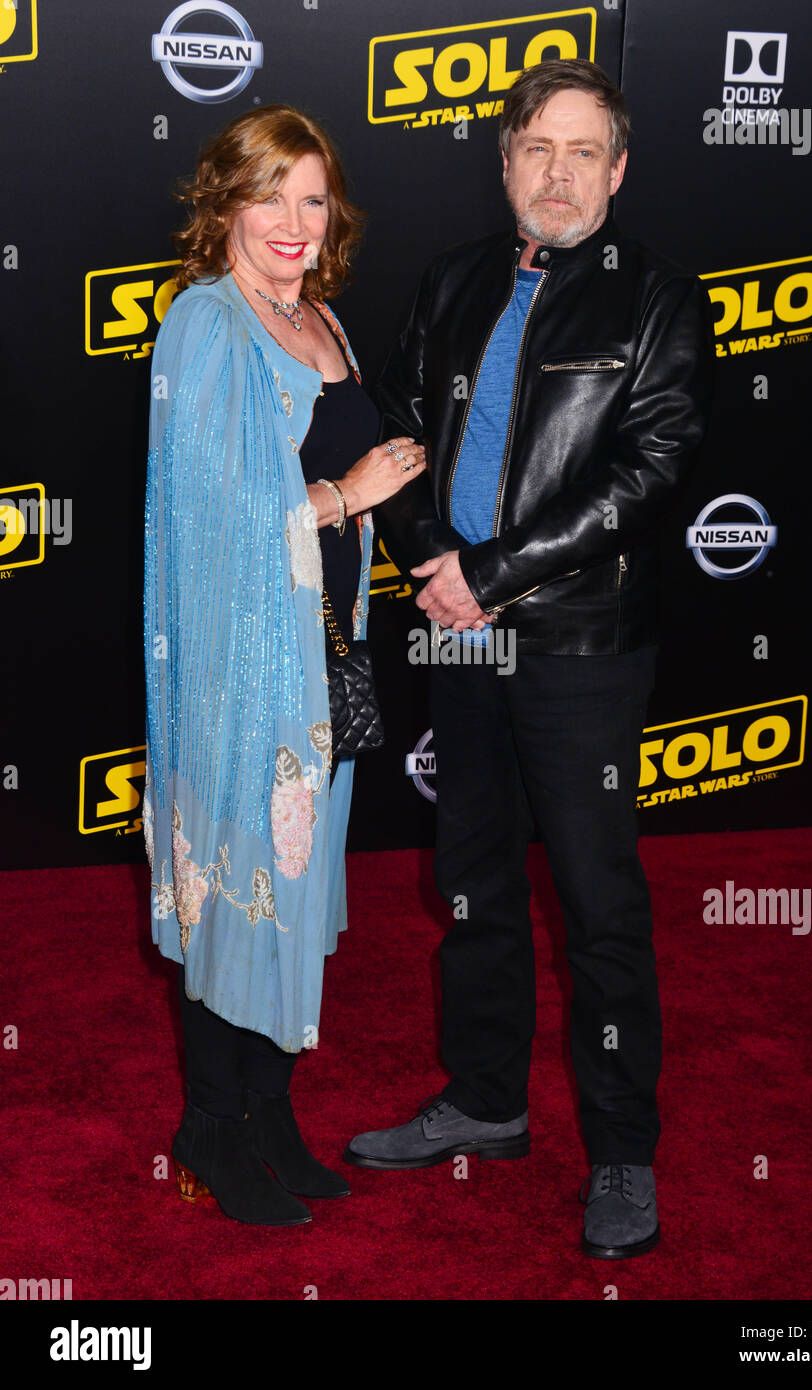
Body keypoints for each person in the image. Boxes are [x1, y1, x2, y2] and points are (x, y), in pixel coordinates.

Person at [345, 60, 713, 1259]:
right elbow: (394, 427)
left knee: (599, 905)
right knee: (471, 884)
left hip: (578, 642)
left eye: (582, 151)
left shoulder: (658, 298)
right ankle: (487, 1100)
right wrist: (429, 562)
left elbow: (646, 477)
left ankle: (620, 1152)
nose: (556, 174)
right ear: (505, 162)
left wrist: (489, 573)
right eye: (534, 150)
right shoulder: (452, 277)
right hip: (458, 627)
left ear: (618, 168)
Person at [143, 105, 425, 1227]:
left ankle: (270, 1113)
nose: (295, 223)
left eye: (313, 198)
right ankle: (208, 1125)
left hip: (318, 668)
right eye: (272, 197)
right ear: (224, 206)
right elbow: (211, 520)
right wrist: (344, 496)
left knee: (295, 892)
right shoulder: (205, 325)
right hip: (239, 672)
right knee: (237, 891)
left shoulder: (323, 322)